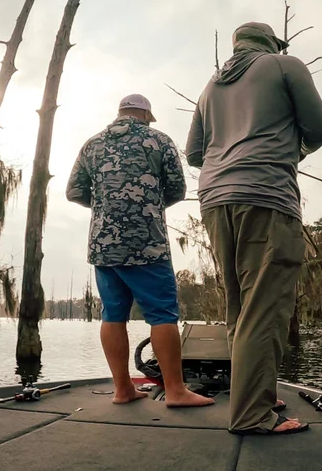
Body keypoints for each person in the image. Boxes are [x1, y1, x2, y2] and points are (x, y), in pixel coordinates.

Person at [185, 22, 322, 435]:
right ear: (270, 43)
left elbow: (194, 153)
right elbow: (320, 130)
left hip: (214, 200)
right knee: (265, 306)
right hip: (266, 195)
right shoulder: (286, 66)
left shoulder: (209, 88)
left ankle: (255, 392)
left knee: (239, 304)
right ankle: (252, 414)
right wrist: (294, 150)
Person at [67, 93, 214, 409]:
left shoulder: (91, 144)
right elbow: (176, 189)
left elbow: (74, 191)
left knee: (113, 314)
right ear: (146, 115)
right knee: (162, 314)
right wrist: (143, 206)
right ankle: (175, 391)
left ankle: (122, 389)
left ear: (120, 112)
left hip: (103, 244)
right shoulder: (159, 140)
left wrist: (110, 206)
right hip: (146, 243)